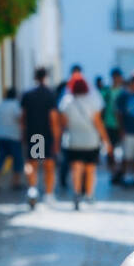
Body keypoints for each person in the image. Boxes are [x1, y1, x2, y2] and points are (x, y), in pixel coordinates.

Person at [55, 76, 111, 210]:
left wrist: (57, 142)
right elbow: (98, 123)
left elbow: (63, 124)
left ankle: (76, 194)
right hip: (91, 140)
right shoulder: (93, 100)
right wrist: (106, 141)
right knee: (90, 169)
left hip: (73, 140)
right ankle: (89, 195)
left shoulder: (66, 101)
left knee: (76, 168)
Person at [20, 67, 60, 207]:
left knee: (32, 164)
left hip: (33, 133)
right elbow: (53, 119)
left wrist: (23, 133)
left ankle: (32, 189)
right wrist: (56, 138)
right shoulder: (50, 94)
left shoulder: (28, 94)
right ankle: (48, 194)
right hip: (46, 133)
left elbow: (23, 117)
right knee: (49, 165)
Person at [0, 87, 24, 191]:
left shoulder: (0, 105)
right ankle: (16, 182)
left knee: (1, 158)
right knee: (18, 159)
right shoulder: (16, 106)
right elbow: (20, 119)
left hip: (0, 136)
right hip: (13, 136)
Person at [116, 72, 134, 187]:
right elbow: (119, 114)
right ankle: (125, 176)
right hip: (127, 129)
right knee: (127, 156)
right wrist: (121, 129)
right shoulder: (123, 95)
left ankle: (133, 176)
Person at [57, 64, 83, 192]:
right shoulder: (65, 89)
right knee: (67, 158)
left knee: (78, 159)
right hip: (68, 129)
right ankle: (65, 181)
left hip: (80, 129)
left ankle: (80, 187)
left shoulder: (84, 88)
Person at [102, 68, 124, 183]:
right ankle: (113, 172)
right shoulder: (107, 91)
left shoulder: (123, 91)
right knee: (110, 150)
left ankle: (118, 172)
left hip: (120, 126)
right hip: (109, 124)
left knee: (119, 150)